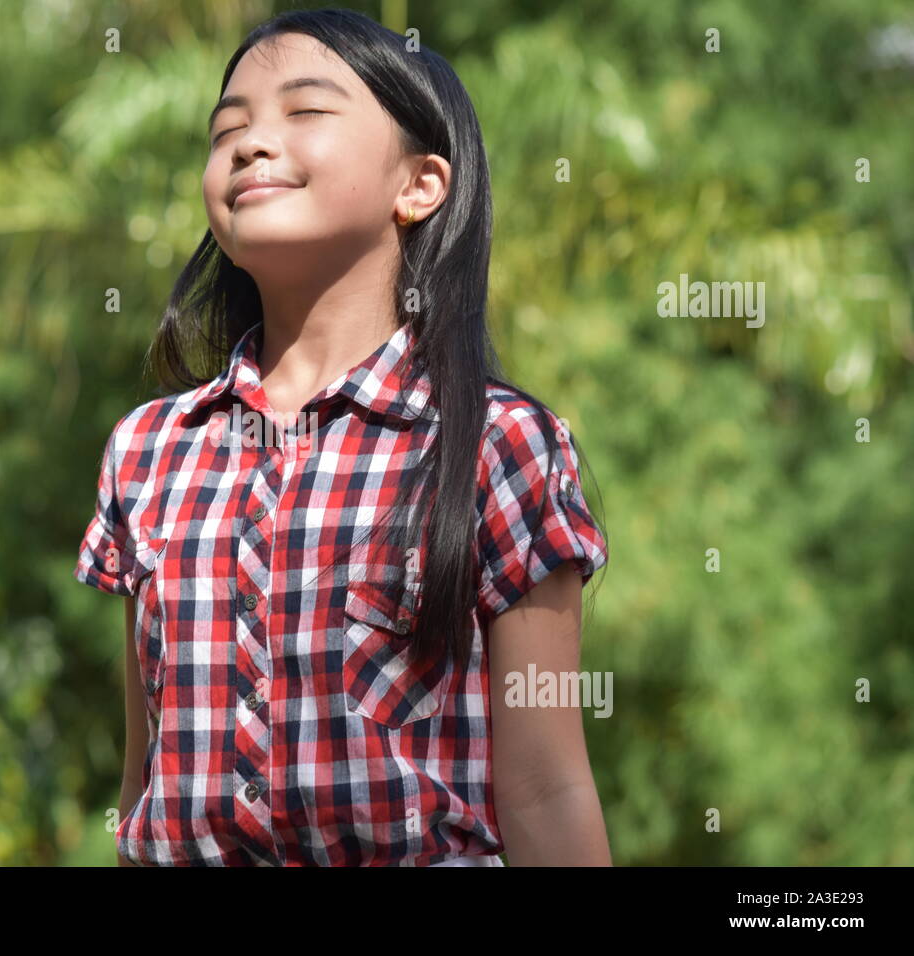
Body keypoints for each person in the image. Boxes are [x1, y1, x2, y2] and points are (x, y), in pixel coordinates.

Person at [75, 8, 610, 866]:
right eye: (228, 130)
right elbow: (143, 789)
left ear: (420, 185)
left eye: (305, 111)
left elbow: (549, 788)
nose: (251, 144)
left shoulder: (499, 446)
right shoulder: (146, 451)